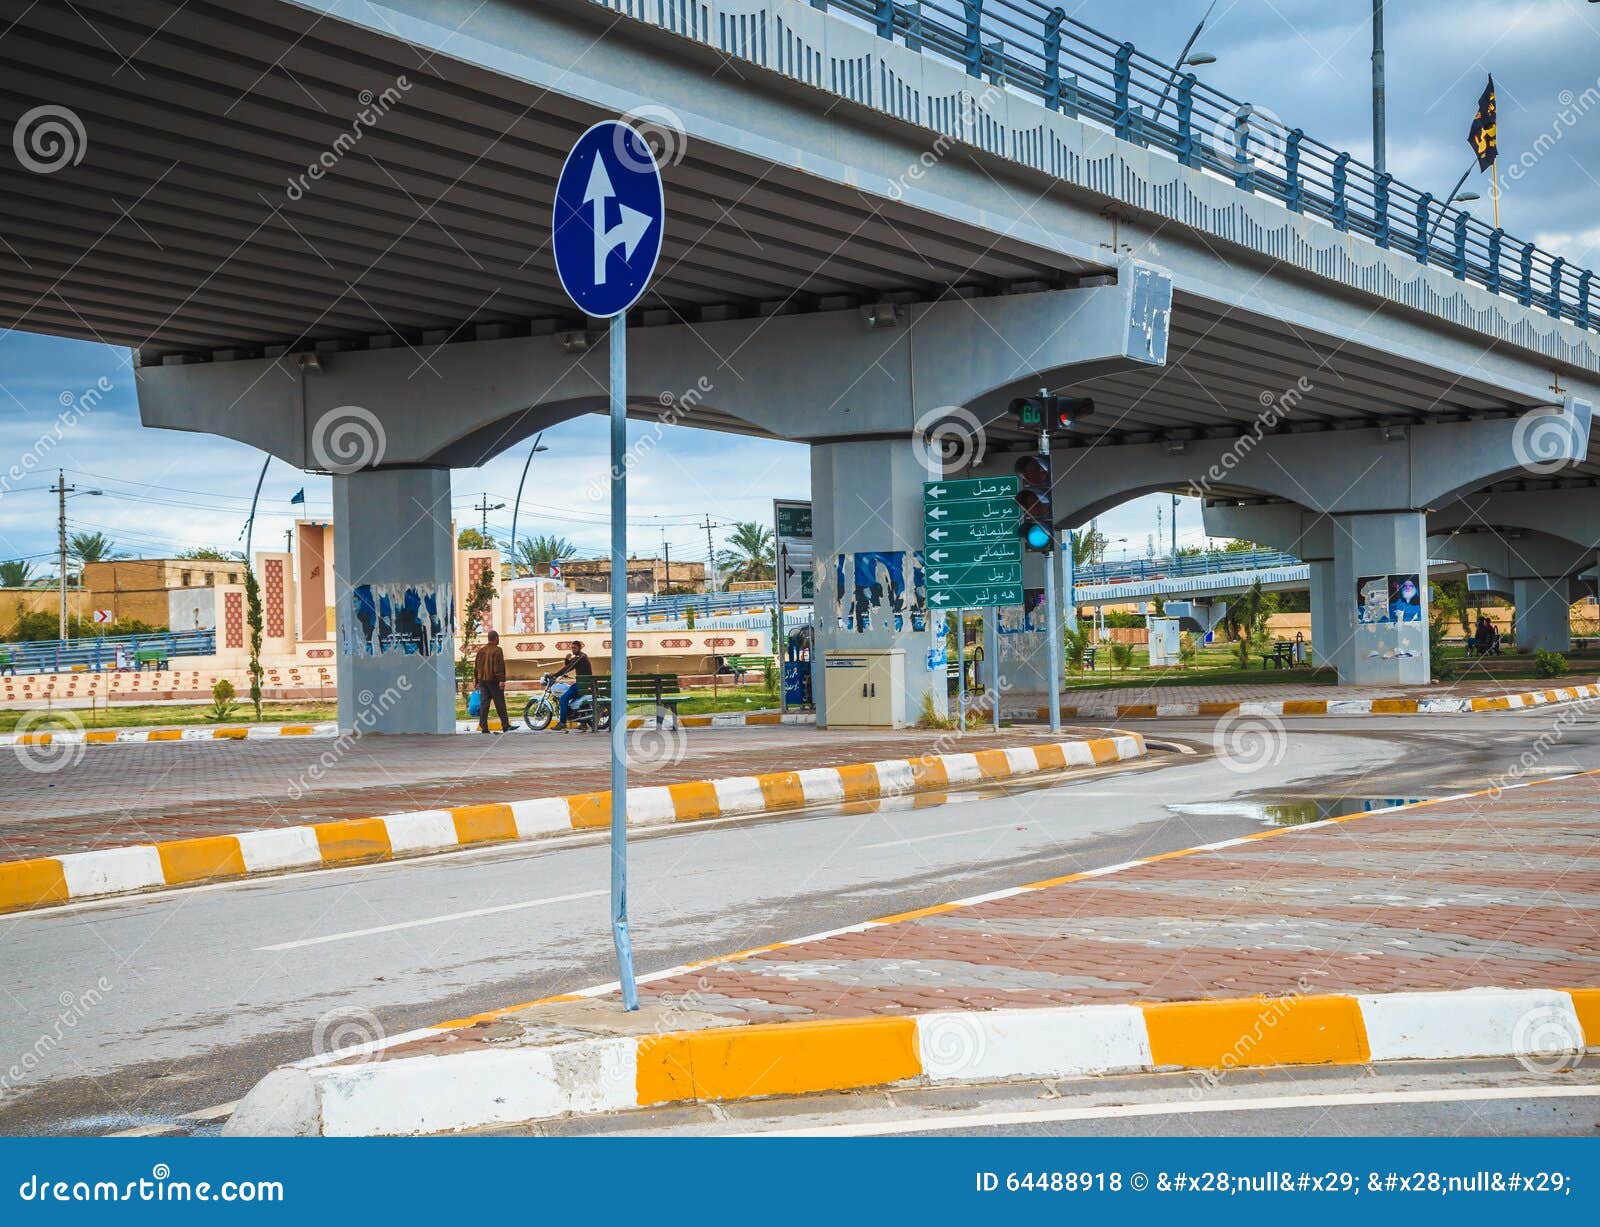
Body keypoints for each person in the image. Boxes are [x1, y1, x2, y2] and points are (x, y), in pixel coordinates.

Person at [473, 629, 511, 734]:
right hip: (493, 681)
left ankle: (484, 727)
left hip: (482, 681)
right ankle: (505, 725)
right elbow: (498, 667)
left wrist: (476, 681)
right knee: (500, 703)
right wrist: (502, 680)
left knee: (484, 704)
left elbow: (476, 667)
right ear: (496, 638)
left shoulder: (481, 651)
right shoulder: (497, 650)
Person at [552, 639, 594, 730]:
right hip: (585, 684)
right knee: (575, 701)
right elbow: (570, 665)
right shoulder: (581, 656)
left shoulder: (580, 657)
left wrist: (555, 675)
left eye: (575, 648)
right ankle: (583, 723)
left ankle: (562, 723)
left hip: (581, 684)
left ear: (580, 648)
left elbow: (568, 668)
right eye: (572, 648)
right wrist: (567, 660)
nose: (573, 650)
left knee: (563, 699)